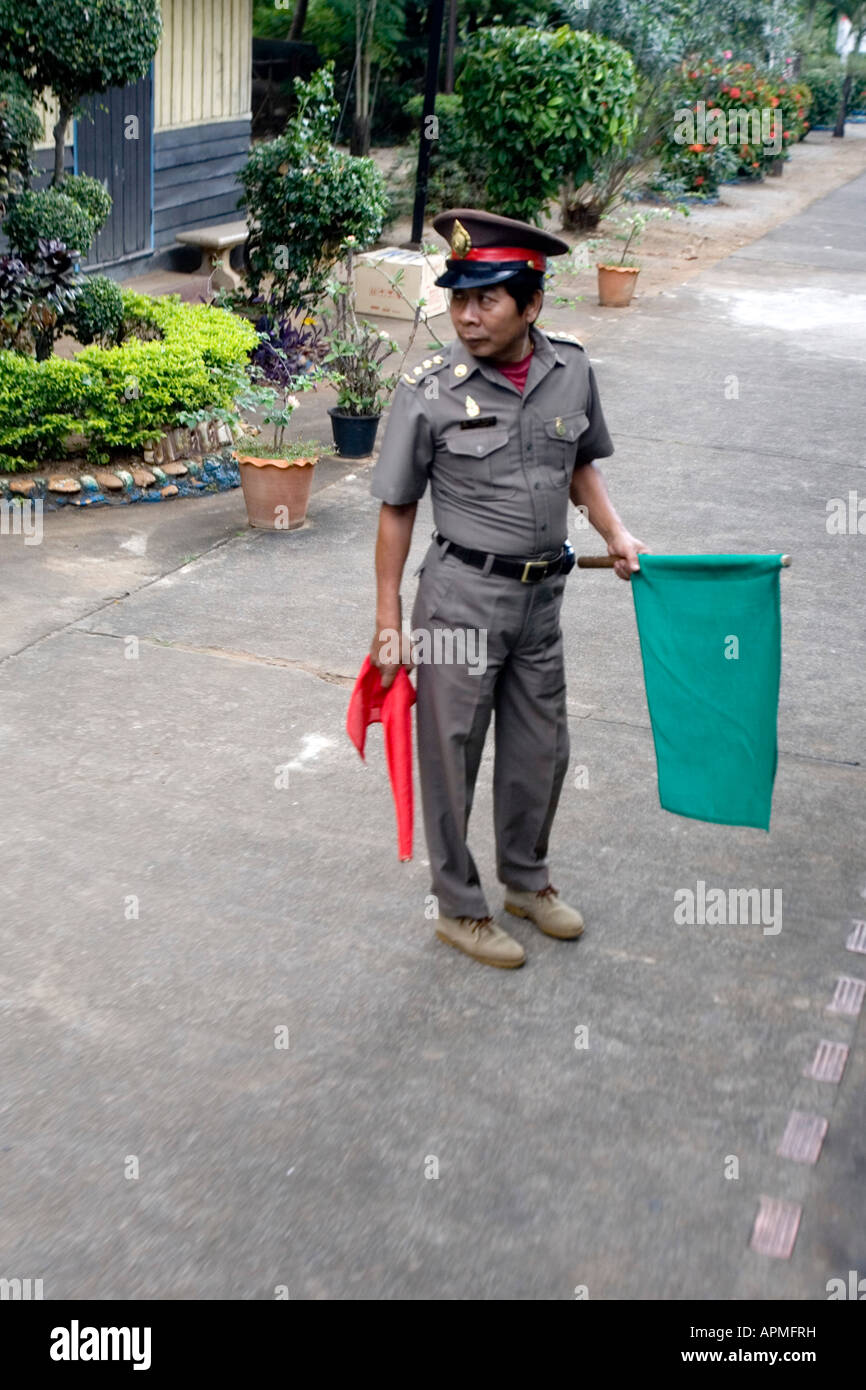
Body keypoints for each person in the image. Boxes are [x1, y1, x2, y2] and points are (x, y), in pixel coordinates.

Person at [368, 208, 647, 969]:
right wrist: (388, 621)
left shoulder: (572, 371)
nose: (465, 314)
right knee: (451, 753)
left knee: (542, 748)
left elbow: (582, 465)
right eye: (458, 296)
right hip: (460, 596)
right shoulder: (429, 391)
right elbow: (397, 511)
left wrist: (615, 534)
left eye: (486, 298)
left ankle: (525, 880)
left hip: (541, 599)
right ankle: (459, 908)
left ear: (532, 303)